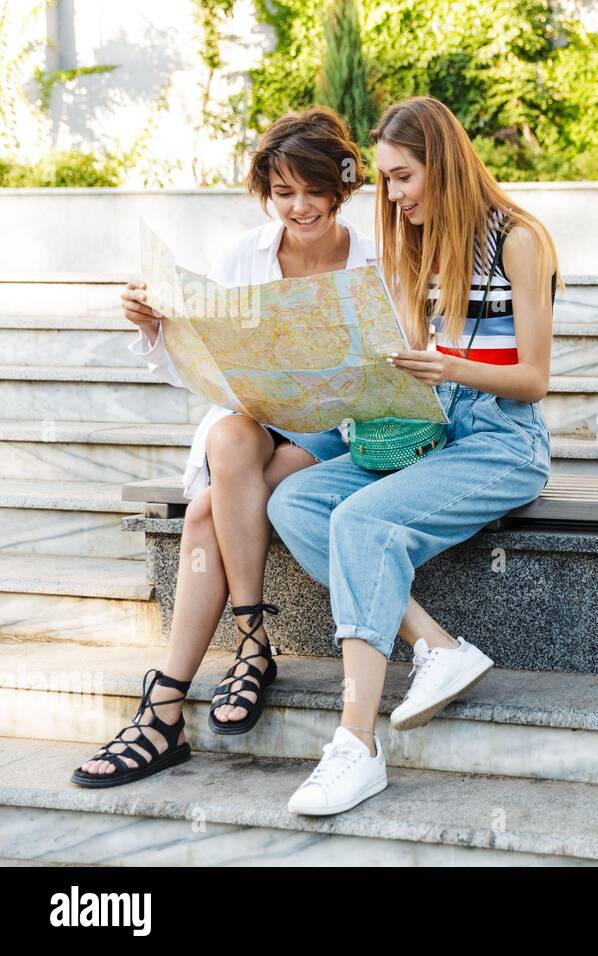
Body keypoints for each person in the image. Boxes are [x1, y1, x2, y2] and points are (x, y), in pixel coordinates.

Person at [266, 96, 560, 815]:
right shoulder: (417, 243)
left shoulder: (520, 239)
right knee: (295, 502)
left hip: (501, 437)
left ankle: (356, 742)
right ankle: (434, 644)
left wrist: (449, 368)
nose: (392, 195)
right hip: (429, 427)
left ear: (443, 164)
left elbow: (535, 379)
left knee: (361, 524)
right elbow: (405, 360)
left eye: (402, 177)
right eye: (390, 181)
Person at [72, 107, 375, 787]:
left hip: (336, 432)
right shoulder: (244, 254)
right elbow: (205, 368)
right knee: (229, 432)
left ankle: (171, 702)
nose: (299, 207)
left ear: (342, 185)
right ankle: (248, 640)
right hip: (253, 422)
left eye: (313, 190)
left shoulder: (373, 256)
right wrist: (158, 330)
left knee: (210, 510)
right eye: (283, 191)